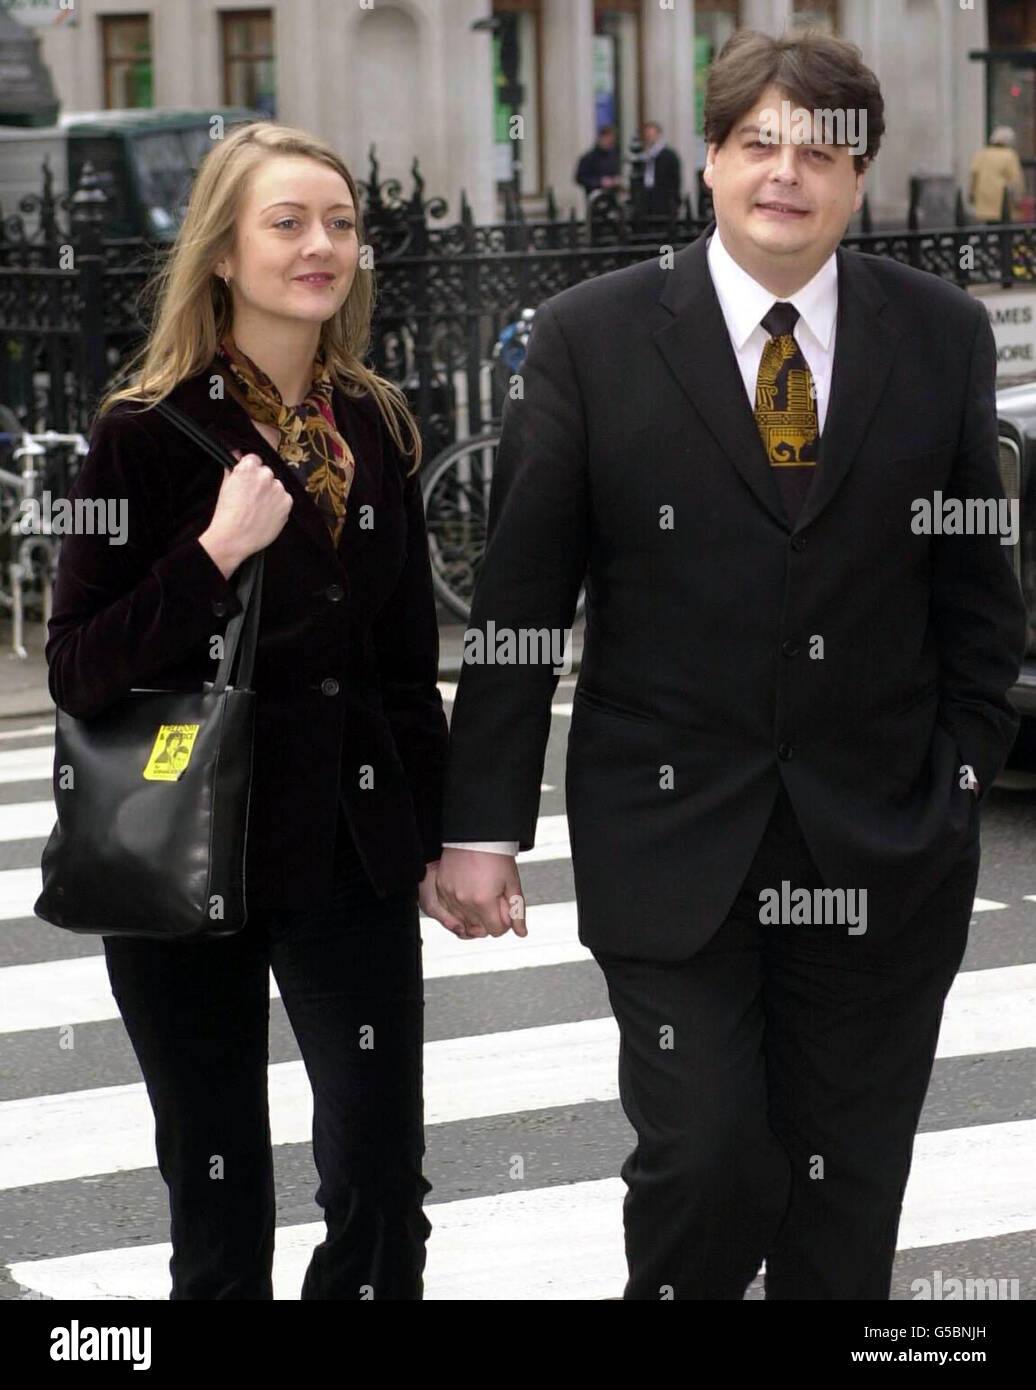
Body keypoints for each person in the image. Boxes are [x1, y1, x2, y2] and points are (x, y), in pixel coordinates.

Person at [435, 29, 1027, 1299]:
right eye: (758, 142)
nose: (786, 173)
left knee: (845, 1186)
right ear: (708, 160)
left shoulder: (936, 334)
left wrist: (958, 775)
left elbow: (979, 588)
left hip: (883, 844)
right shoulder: (593, 337)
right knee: (704, 1158)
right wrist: (479, 824)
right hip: (670, 837)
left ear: (858, 177)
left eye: (821, 150)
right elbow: (524, 598)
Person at [45, 120, 461, 1299]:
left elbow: (400, 664)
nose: (321, 245)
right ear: (224, 252)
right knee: (219, 1196)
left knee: (381, 1181)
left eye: (339, 224)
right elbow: (75, 662)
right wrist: (215, 552)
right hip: (184, 856)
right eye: (288, 222)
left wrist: (433, 839)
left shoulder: (371, 422)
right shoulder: (137, 434)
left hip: (347, 852)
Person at [969, 125, 1025, 224]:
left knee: (988, 228)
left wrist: (972, 193)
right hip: (1002, 199)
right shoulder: (1009, 155)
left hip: (983, 196)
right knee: (1003, 229)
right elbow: (1015, 180)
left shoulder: (982, 153)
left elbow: (974, 174)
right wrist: (1018, 198)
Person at [639, 119, 682, 217]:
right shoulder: (645, 155)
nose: (649, 138)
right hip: (647, 198)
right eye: (647, 135)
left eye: (652, 134)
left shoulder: (669, 155)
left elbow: (675, 180)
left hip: (663, 199)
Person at [575, 124, 623, 199]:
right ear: (601, 138)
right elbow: (580, 178)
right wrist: (600, 182)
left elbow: (614, 172)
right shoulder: (588, 158)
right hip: (595, 197)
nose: (610, 142)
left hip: (611, 196)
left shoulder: (612, 156)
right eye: (608, 139)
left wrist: (616, 180)